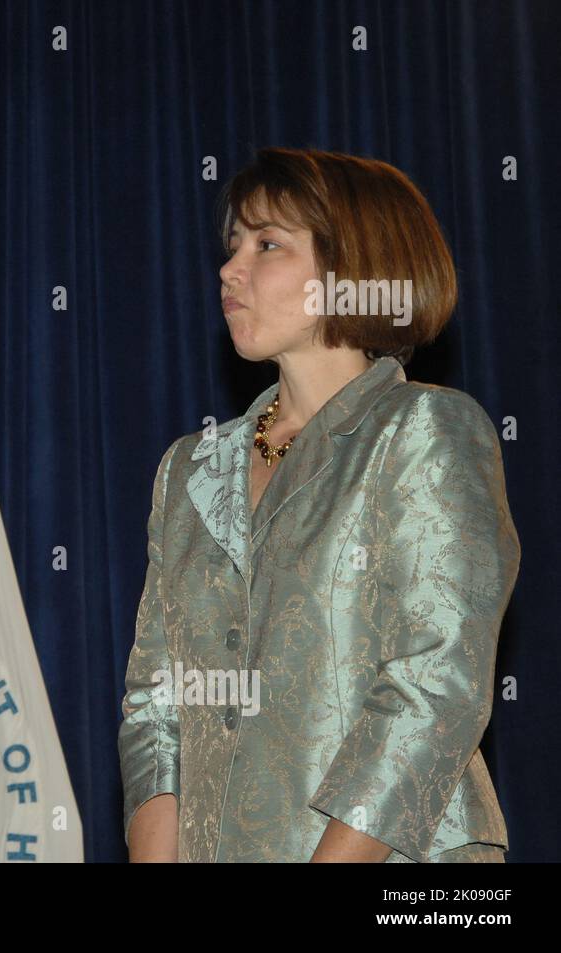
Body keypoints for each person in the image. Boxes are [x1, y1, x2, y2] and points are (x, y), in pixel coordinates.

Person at [118, 147, 519, 863]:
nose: (230, 268)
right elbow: (156, 703)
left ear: (355, 267)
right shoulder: (189, 468)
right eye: (232, 244)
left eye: (267, 243)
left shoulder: (425, 428)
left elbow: (437, 685)